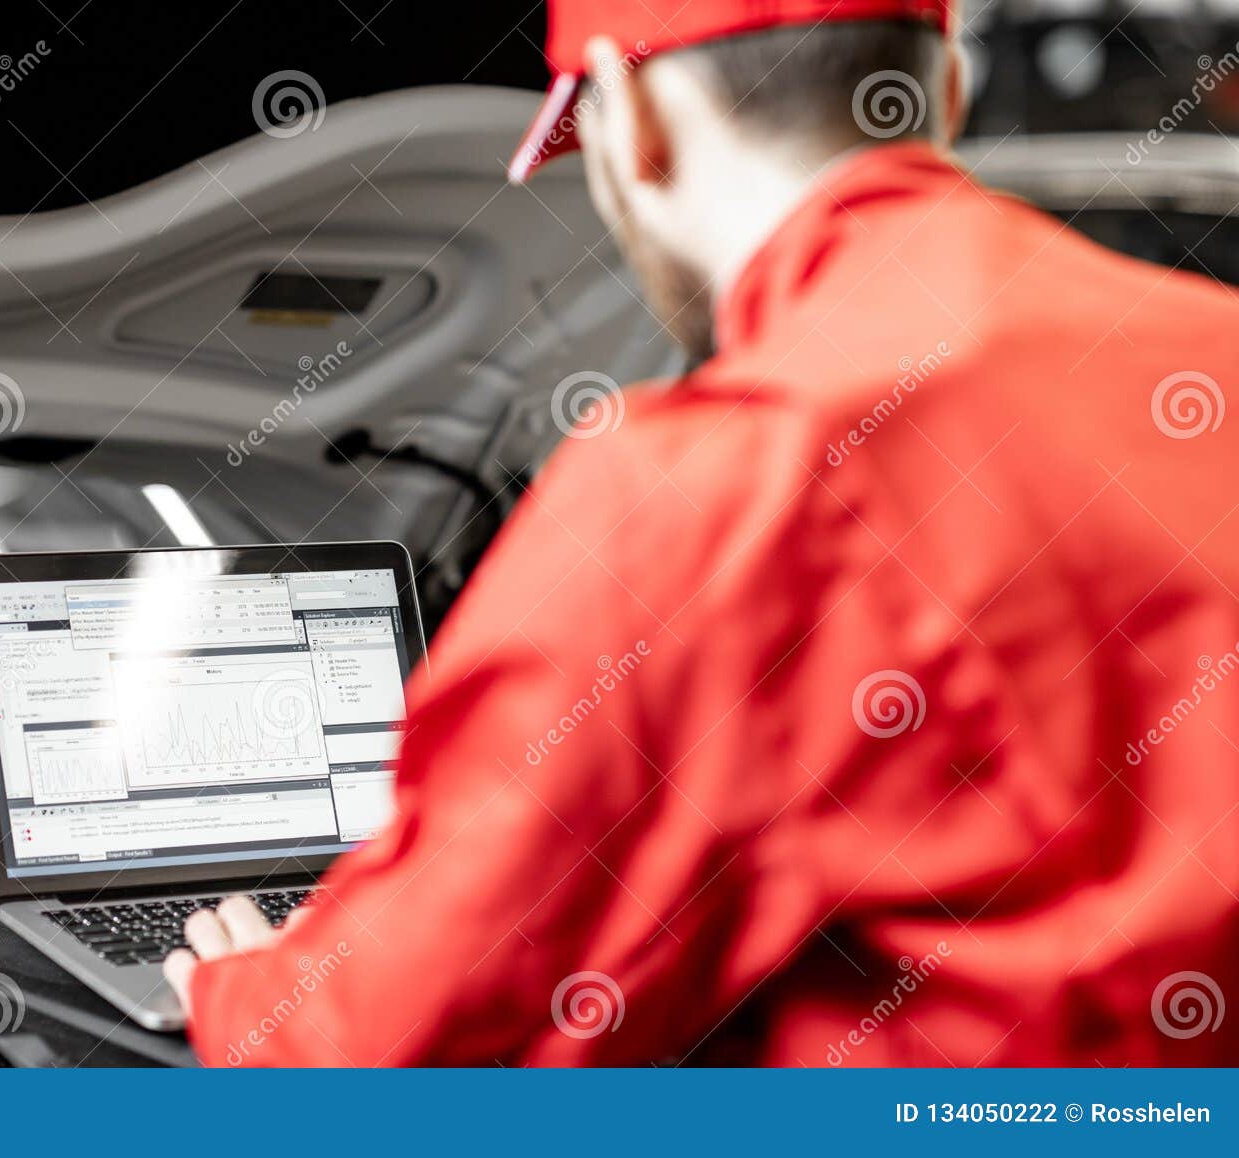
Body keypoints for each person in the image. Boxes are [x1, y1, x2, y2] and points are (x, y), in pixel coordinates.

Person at [164, 0, 1239, 1065]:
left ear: (632, 119)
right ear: (946, 87)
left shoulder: (721, 481)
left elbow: (397, 1045)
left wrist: (252, 992)